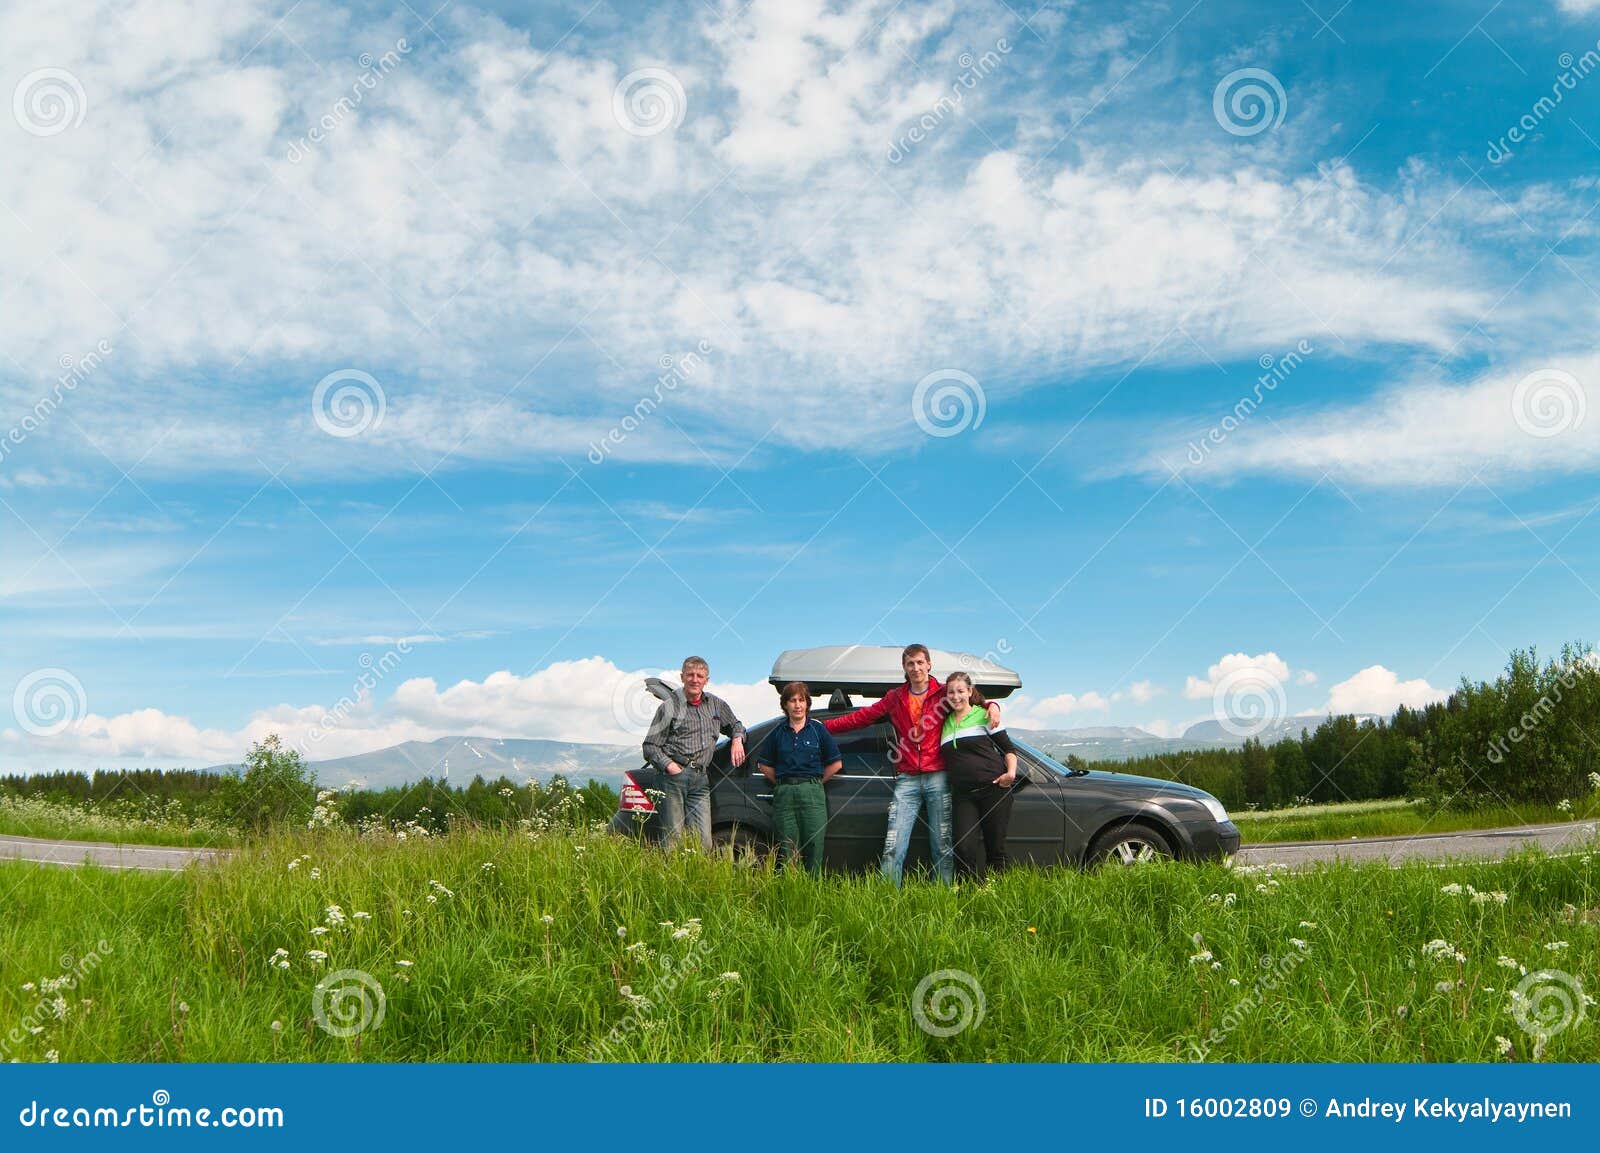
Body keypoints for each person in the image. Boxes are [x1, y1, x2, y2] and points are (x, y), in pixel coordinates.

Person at [823, 644, 1000, 885]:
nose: (915, 668)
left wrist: (994, 706)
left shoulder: (943, 694)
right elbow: (860, 718)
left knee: (942, 847)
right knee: (893, 846)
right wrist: (822, 727)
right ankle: (887, 897)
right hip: (906, 779)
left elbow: (975, 703)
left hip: (938, 776)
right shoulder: (894, 698)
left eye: (919, 662)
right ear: (904, 668)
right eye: (910, 664)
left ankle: (943, 898)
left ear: (928, 664)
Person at [641, 656, 746, 852]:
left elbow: (735, 725)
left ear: (707, 679)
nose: (695, 679)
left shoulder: (716, 705)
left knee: (704, 842)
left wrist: (737, 739)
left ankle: (694, 877)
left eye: (700, 676)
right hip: (673, 779)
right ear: (682, 677)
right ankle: (670, 879)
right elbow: (650, 746)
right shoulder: (669, 707)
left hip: (701, 780)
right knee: (673, 841)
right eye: (690, 675)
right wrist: (671, 768)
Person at [754, 681, 841, 874]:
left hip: (812, 792)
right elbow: (764, 764)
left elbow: (836, 763)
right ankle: (791, 892)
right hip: (784, 793)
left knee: (814, 845)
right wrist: (781, 783)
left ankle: (812, 893)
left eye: (801, 700)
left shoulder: (818, 730)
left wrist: (816, 782)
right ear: (785, 705)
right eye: (792, 701)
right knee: (787, 847)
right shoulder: (777, 732)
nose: (797, 705)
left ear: (807, 704)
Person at [941, 670, 1019, 882]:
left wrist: (1011, 774)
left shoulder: (983, 715)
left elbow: (1009, 749)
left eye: (960, 691)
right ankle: (969, 895)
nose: (955, 696)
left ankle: (996, 894)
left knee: (995, 848)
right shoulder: (944, 724)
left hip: (994, 791)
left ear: (969, 692)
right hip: (963, 796)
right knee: (963, 848)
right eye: (950, 692)